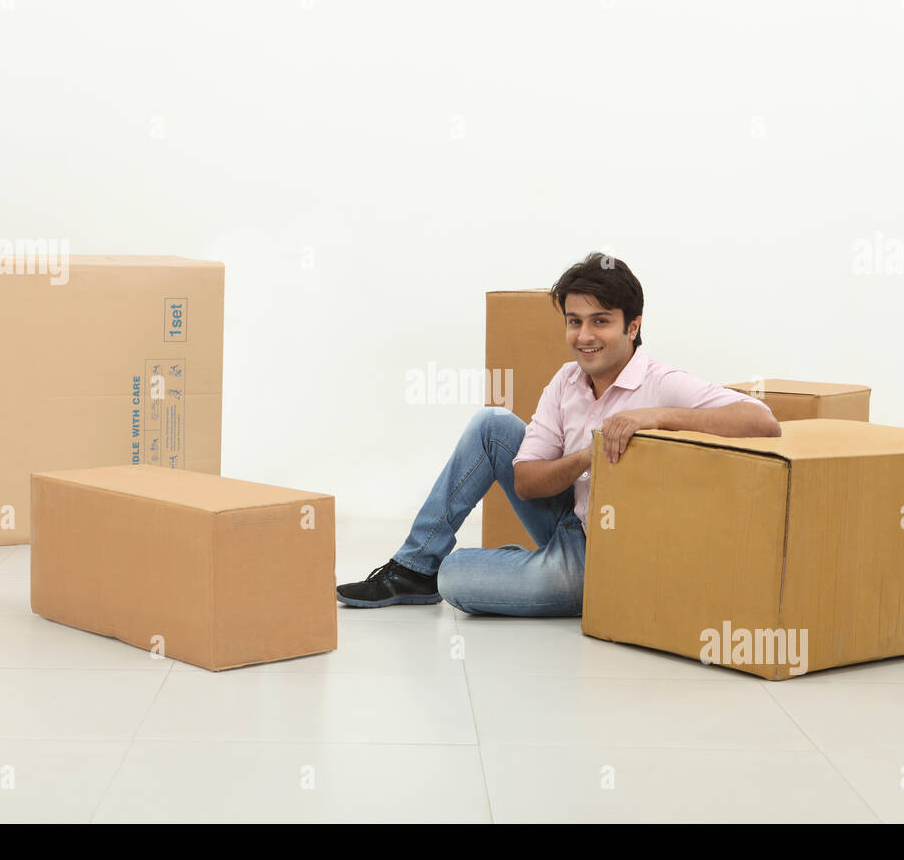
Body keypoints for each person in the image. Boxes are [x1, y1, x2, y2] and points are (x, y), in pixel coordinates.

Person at [335, 252, 782, 617]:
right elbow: (527, 481)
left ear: (633, 326)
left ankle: (534, 575)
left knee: (455, 576)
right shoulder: (566, 381)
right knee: (492, 424)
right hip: (568, 519)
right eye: (574, 321)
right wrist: (587, 456)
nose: (584, 336)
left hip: (605, 555)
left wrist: (657, 418)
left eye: (600, 321)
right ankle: (413, 569)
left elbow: (762, 423)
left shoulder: (661, 383)